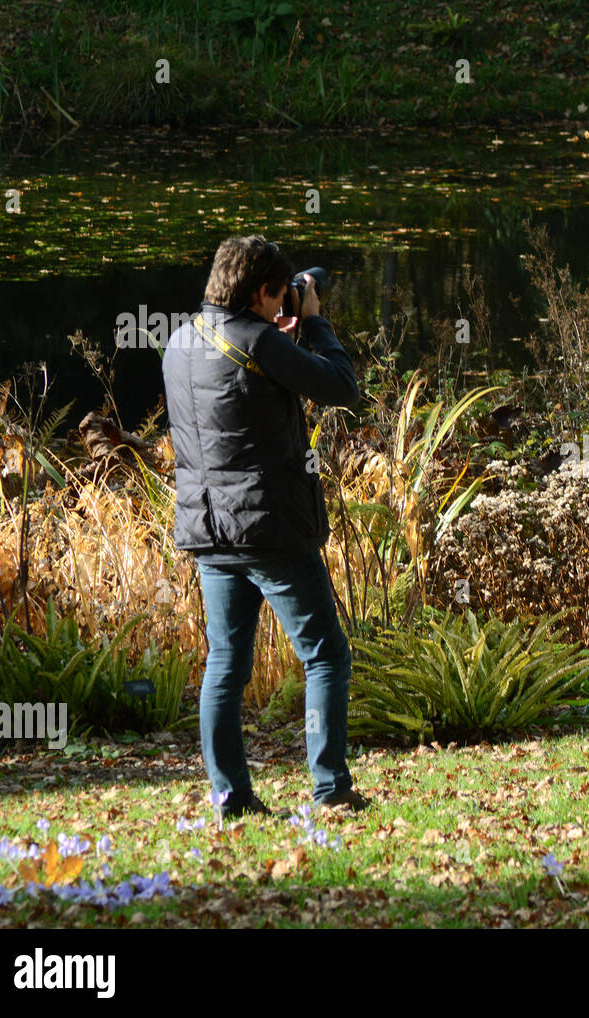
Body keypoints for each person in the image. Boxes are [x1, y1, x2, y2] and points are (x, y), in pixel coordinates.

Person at [161, 235, 370, 819]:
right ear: (260, 293)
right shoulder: (258, 341)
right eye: (279, 293)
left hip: (208, 530)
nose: (285, 301)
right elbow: (342, 387)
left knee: (225, 665)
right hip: (269, 529)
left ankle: (230, 797)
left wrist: (283, 328)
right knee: (326, 654)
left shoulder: (178, 343)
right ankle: (330, 789)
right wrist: (315, 322)